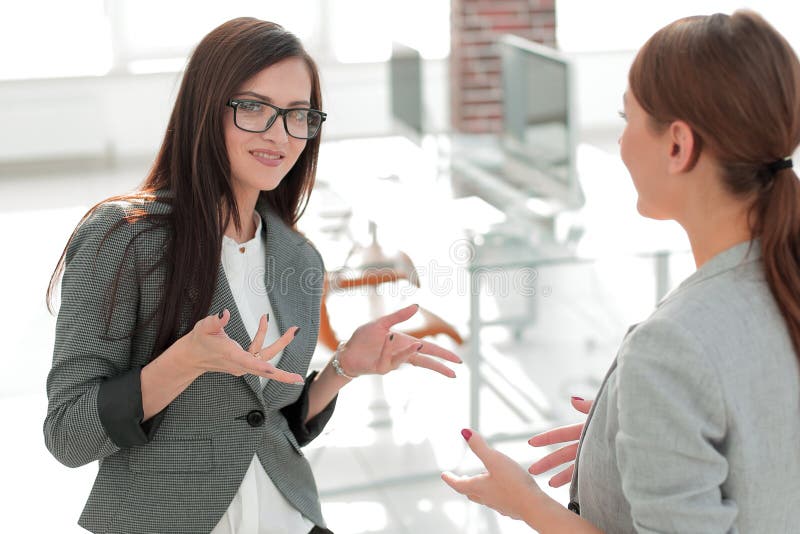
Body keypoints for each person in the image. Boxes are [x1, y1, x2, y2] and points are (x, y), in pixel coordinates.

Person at [44, 17, 461, 534]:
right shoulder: (126, 238)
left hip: (290, 517)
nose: (280, 136)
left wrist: (342, 369)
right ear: (206, 108)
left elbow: (267, 423)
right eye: (254, 108)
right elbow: (68, 433)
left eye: (297, 115)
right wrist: (184, 362)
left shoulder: (297, 256)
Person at [442, 10, 800, 533]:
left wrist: (527, 504)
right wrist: (632, 436)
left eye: (626, 117)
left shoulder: (674, 345)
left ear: (677, 145)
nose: (620, 141)